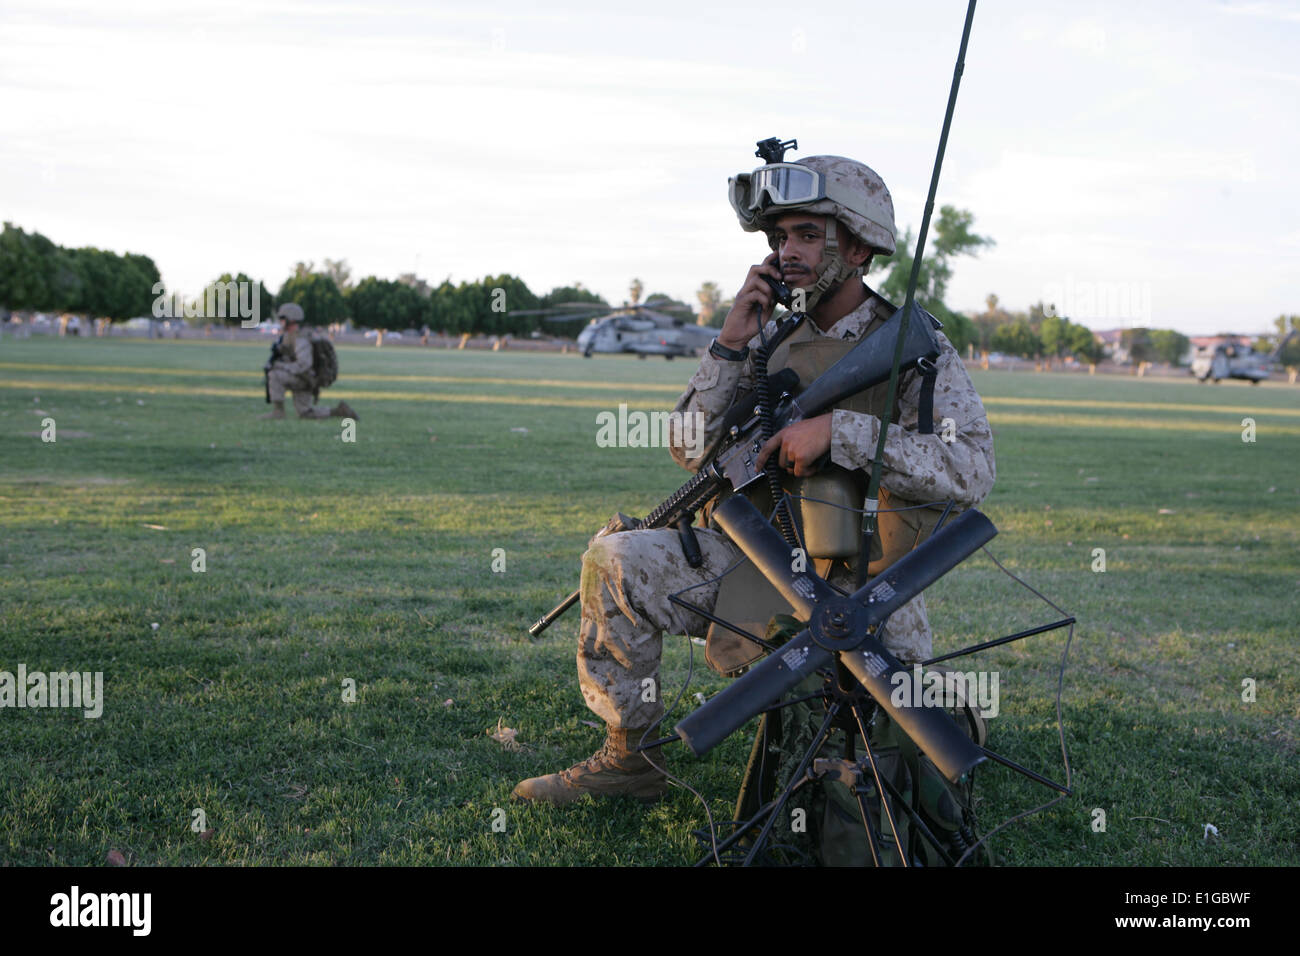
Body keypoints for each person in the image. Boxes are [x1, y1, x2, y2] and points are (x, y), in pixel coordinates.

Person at [512, 154, 995, 805]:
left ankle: (943, 706)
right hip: (761, 560)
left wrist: (839, 435)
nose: (786, 252)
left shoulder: (914, 345)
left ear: (856, 244)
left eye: (806, 234)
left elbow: (971, 470)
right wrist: (731, 340)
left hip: (864, 584)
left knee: (890, 756)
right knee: (616, 555)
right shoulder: (770, 339)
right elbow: (688, 449)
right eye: (778, 238)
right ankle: (631, 758)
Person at [262, 303, 357, 421]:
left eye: (282, 318)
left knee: (274, 374)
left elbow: (304, 364)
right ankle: (339, 411)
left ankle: (278, 412)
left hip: (305, 378)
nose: (280, 322)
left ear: (290, 319)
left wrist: (280, 366)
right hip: (304, 378)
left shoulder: (301, 339)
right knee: (305, 413)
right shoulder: (290, 336)